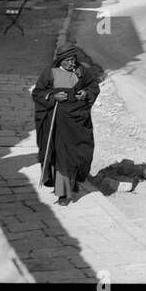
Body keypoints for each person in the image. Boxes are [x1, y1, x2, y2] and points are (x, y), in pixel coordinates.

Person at [31, 43, 101, 205]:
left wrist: (86, 94)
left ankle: (74, 181)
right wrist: (53, 96)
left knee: (80, 155)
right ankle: (63, 193)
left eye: (73, 60)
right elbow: (38, 93)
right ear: (60, 60)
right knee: (63, 159)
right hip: (57, 125)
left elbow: (93, 87)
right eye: (68, 60)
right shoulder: (49, 74)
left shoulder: (82, 72)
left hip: (79, 123)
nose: (71, 64)